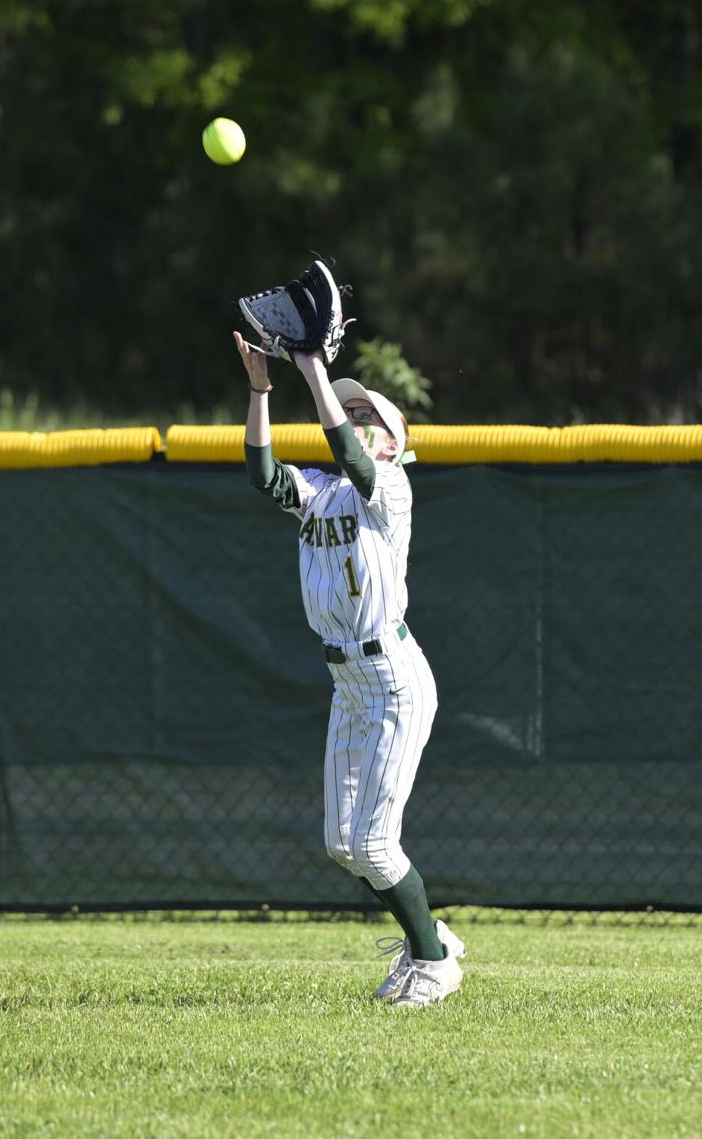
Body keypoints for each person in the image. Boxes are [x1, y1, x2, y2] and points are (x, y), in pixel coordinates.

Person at [233, 329, 466, 1009]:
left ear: (394, 443)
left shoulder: (388, 488)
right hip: (347, 684)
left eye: (370, 417)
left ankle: (433, 961)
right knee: (342, 843)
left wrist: (312, 367)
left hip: (394, 679)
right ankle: (431, 937)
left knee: (373, 840)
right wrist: (260, 388)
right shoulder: (321, 493)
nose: (357, 421)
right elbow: (263, 473)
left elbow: (354, 460)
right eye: (351, 412)